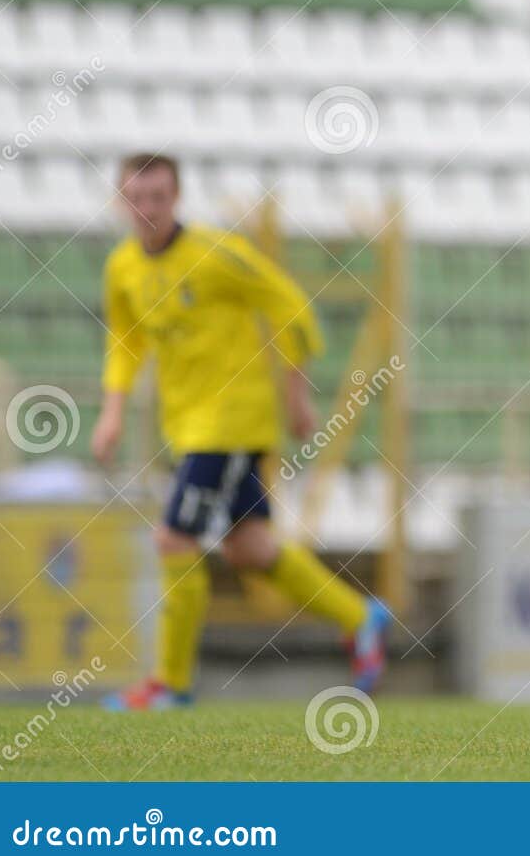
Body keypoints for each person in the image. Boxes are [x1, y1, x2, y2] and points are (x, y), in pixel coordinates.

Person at [91, 153, 389, 710]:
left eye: (159, 197)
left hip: (230, 421)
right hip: (187, 427)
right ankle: (361, 617)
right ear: (121, 202)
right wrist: (112, 411)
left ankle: (171, 685)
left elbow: (291, 306)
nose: (149, 209)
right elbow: (125, 340)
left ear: (176, 198)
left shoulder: (215, 255)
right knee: (251, 549)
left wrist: (297, 395)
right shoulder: (122, 269)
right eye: (138, 198)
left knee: (174, 538)